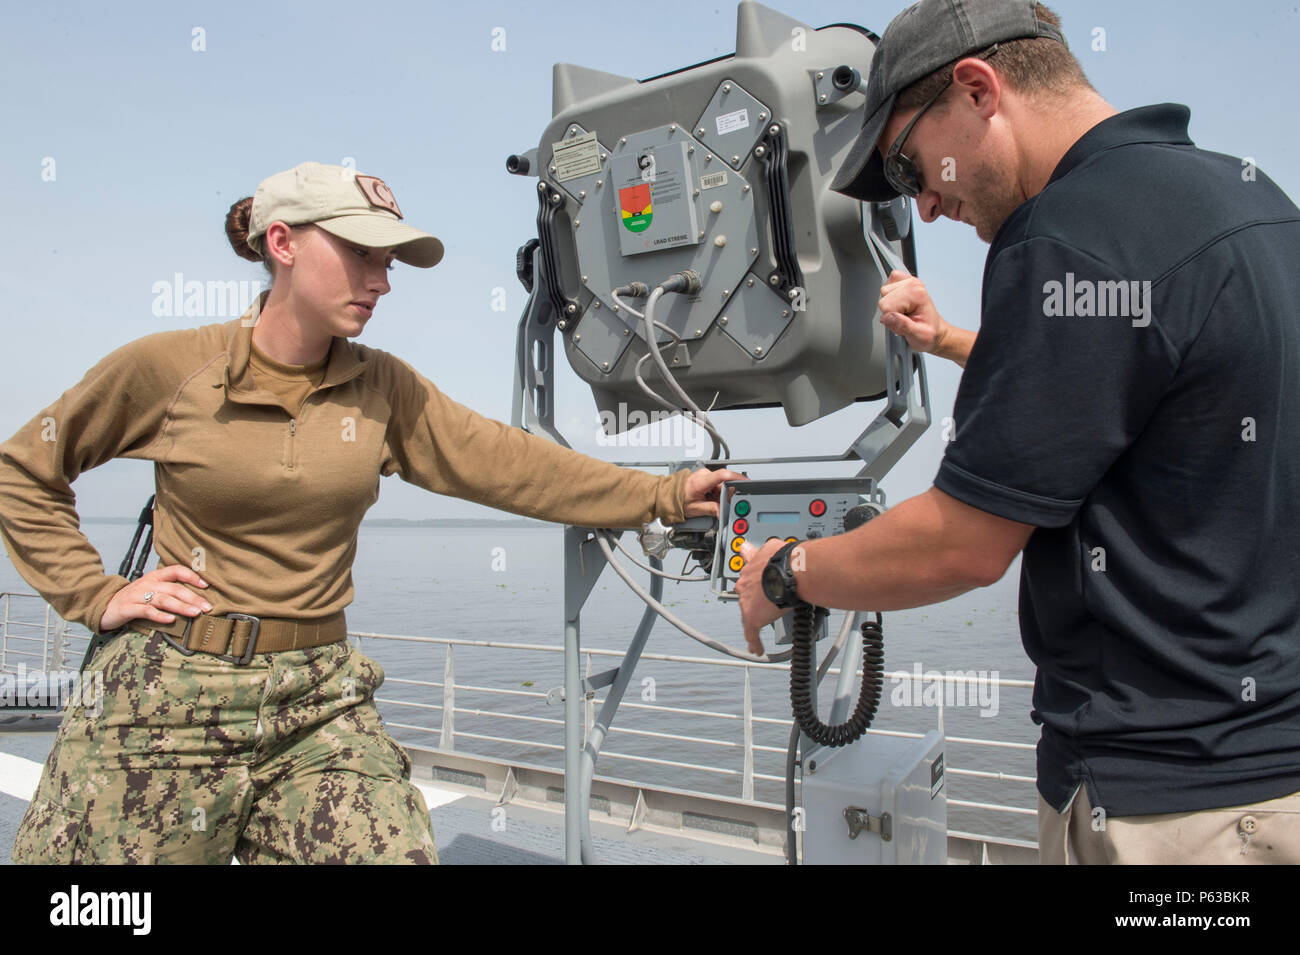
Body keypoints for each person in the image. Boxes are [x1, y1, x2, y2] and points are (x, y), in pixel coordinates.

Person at [0, 160, 741, 864]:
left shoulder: (382, 388)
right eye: (361, 253)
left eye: (389, 262)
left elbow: (510, 464)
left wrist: (662, 494)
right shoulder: (174, 368)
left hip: (318, 695)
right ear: (282, 243)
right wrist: (95, 595)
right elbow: (25, 469)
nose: (382, 280)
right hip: (172, 686)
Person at [736, 0, 1300, 864]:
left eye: (910, 165)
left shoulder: (1064, 236)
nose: (924, 205)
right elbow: (1140, 383)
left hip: (1164, 806)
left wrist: (787, 571)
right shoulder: (1251, 201)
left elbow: (962, 545)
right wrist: (955, 342)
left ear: (976, 89)